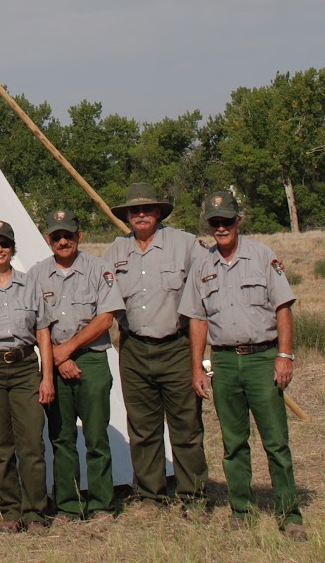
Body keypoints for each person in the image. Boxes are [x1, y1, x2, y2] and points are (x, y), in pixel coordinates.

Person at [183, 190, 306, 540]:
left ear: (239, 221)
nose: (220, 227)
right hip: (223, 360)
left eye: (226, 221)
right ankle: (242, 509)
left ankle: (289, 513)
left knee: (276, 441)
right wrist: (197, 368)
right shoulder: (203, 266)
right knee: (233, 442)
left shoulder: (262, 256)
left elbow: (283, 307)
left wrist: (285, 356)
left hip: (262, 358)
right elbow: (197, 320)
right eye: (214, 222)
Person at [105, 181, 208, 517]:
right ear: (128, 216)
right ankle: (151, 496)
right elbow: (100, 296)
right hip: (133, 348)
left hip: (177, 346)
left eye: (148, 209)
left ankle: (192, 494)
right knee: (143, 427)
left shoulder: (186, 245)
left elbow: (211, 282)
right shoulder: (116, 252)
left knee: (186, 425)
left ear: (159, 213)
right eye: (135, 210)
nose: (141, 215)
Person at [27, 208, 122, 523]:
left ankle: (101, 505)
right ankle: (68, 505)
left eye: (68, 235)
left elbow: (106, 317)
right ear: (48, 239)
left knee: (96, 437)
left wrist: (67, 350)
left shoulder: (98, 268)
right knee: (62, 437)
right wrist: (56, 356)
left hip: (91, 360)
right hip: (54, 362)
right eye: (57, 236)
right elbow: (30, 321)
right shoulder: (37, 274)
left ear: (79, 236)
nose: (63, 241)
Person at [0, 219, 55, 533]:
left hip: (24, 368)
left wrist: (46, 377)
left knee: (31, 442)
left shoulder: (29, 283)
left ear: (12, 247)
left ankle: (35, 512)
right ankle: (11, 511)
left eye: (4, 244)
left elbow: (42, 330)